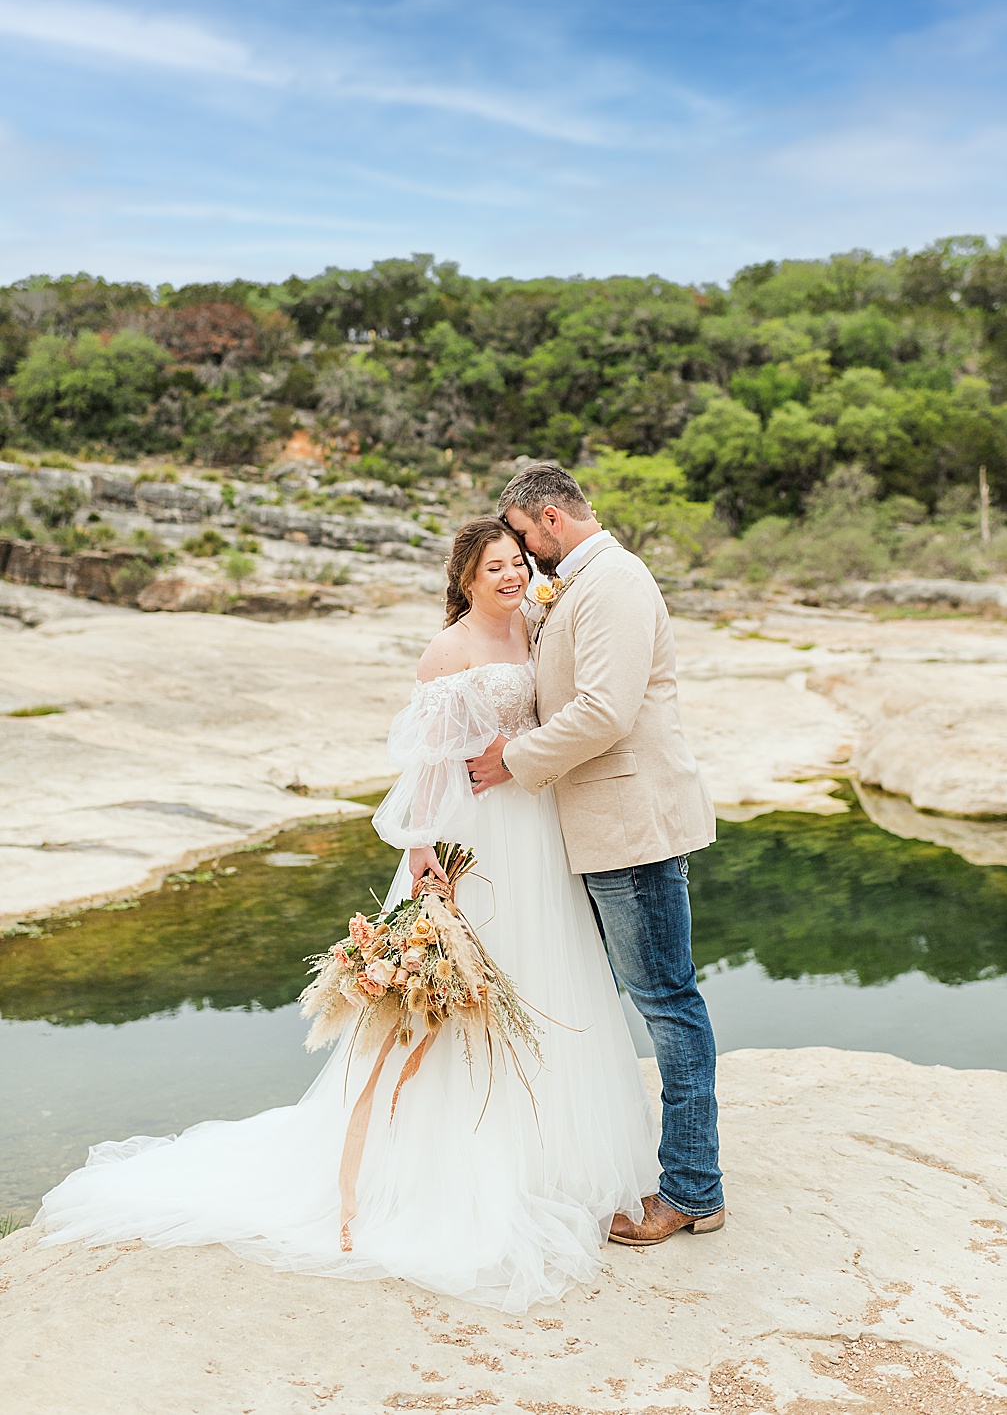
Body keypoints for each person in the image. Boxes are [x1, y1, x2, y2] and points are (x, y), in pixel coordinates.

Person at [35, 517, 660, 1311]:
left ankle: (559, 1164)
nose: (510, 576)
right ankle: (459, 1165)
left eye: (516, 563)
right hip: (476, 837)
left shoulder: (537, 629)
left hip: (538, 827)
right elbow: (426, 763)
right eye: (494, 567)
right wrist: (420, 849)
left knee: (553, 979)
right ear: (465, 579)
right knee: (465, 1004)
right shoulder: (450, 650)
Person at [465, 461, 723, 1244]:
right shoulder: (582, 582)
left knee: (667, 1003)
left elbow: (606, 710)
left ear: (547, 518)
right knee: (634, 998)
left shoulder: (613, 582)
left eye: (517, 534)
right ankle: (639, 1162)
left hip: (629, 820)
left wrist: (515, 759)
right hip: (600, 821)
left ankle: (691, 1190)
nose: (518, 550)